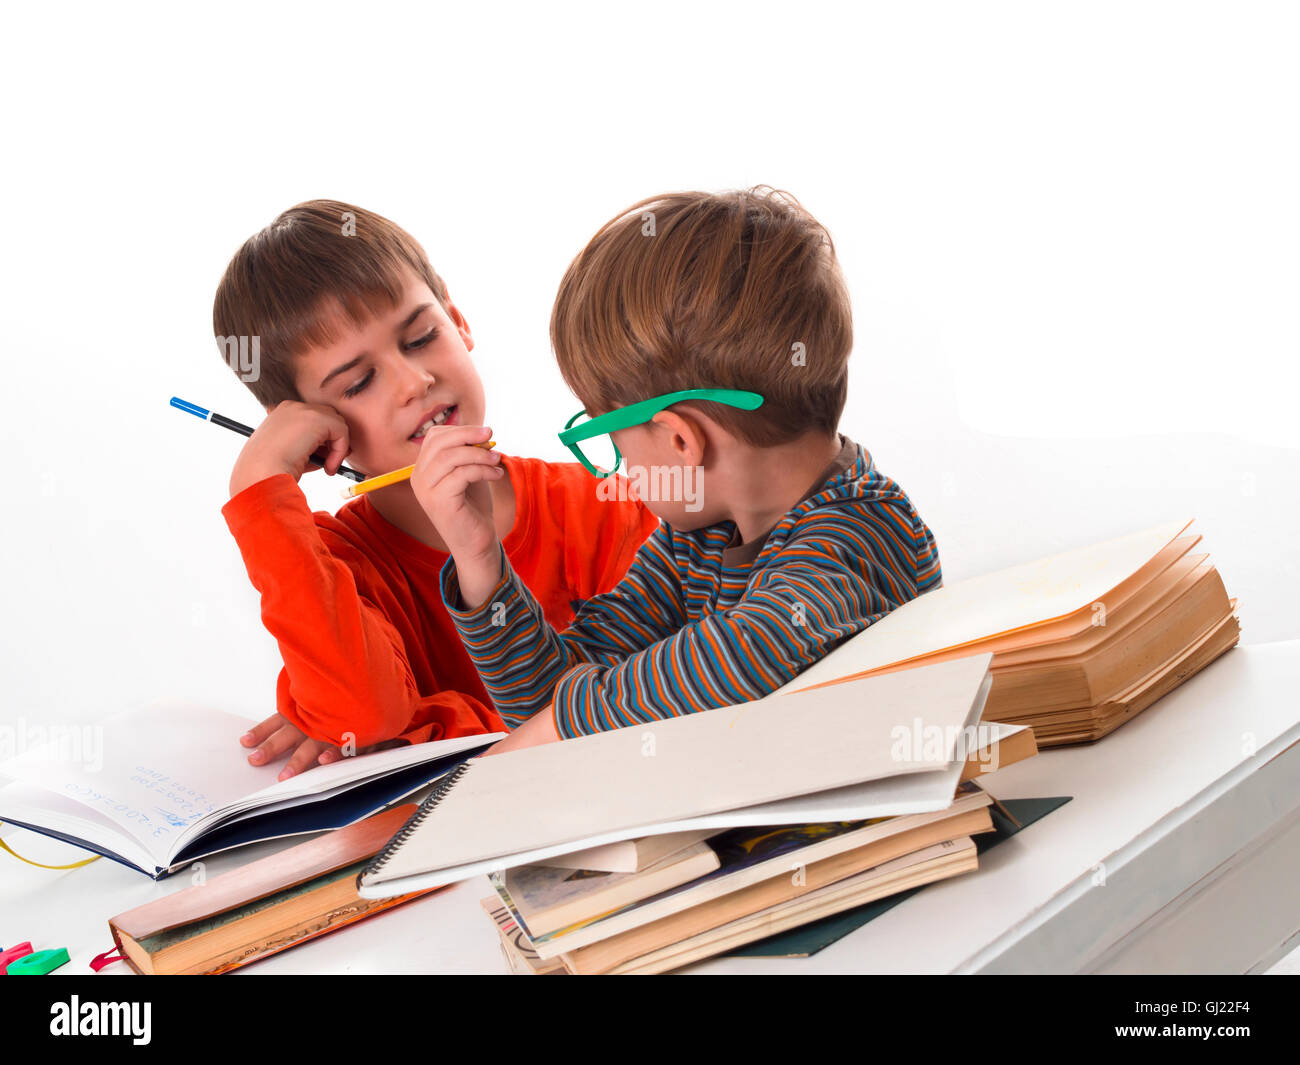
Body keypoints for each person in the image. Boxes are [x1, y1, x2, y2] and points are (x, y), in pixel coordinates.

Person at [416, 187, 943, 753]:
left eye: (613, 444)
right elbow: (543, 703)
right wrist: (479, 559)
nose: (618, 471)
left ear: (678, 439)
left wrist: (566, 723)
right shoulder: (694, 539)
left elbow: (751, 650)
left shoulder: (863, 529)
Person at [211, 200, 658, 778]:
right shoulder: (333, 569)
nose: (414, 381)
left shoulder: (593, 506)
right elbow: (360, 719)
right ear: (307, 427)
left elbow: (650, 703)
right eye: (361, 381)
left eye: (421, 337)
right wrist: (260, 492)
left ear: (457, 319)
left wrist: (426, 730)